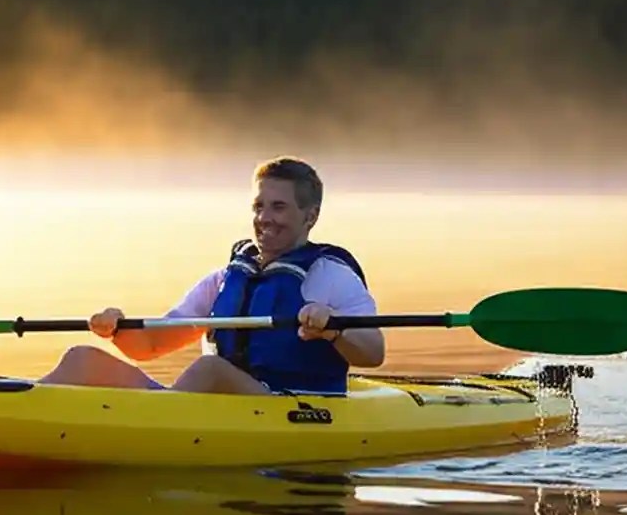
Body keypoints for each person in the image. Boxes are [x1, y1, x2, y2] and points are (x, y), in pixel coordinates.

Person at [37, 156, 385, 395]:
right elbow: (153, 344)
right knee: (81, 358)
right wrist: (117, 328)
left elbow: (373, 353)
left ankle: (156, 428)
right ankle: (21, 406)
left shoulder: (331, 276)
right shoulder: (224, 279)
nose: (265, 218)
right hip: (210, 406)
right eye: (259, 206)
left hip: (293, 407)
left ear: (310, 216)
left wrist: (334, 329)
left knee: (210, 369)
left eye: (278, 207)